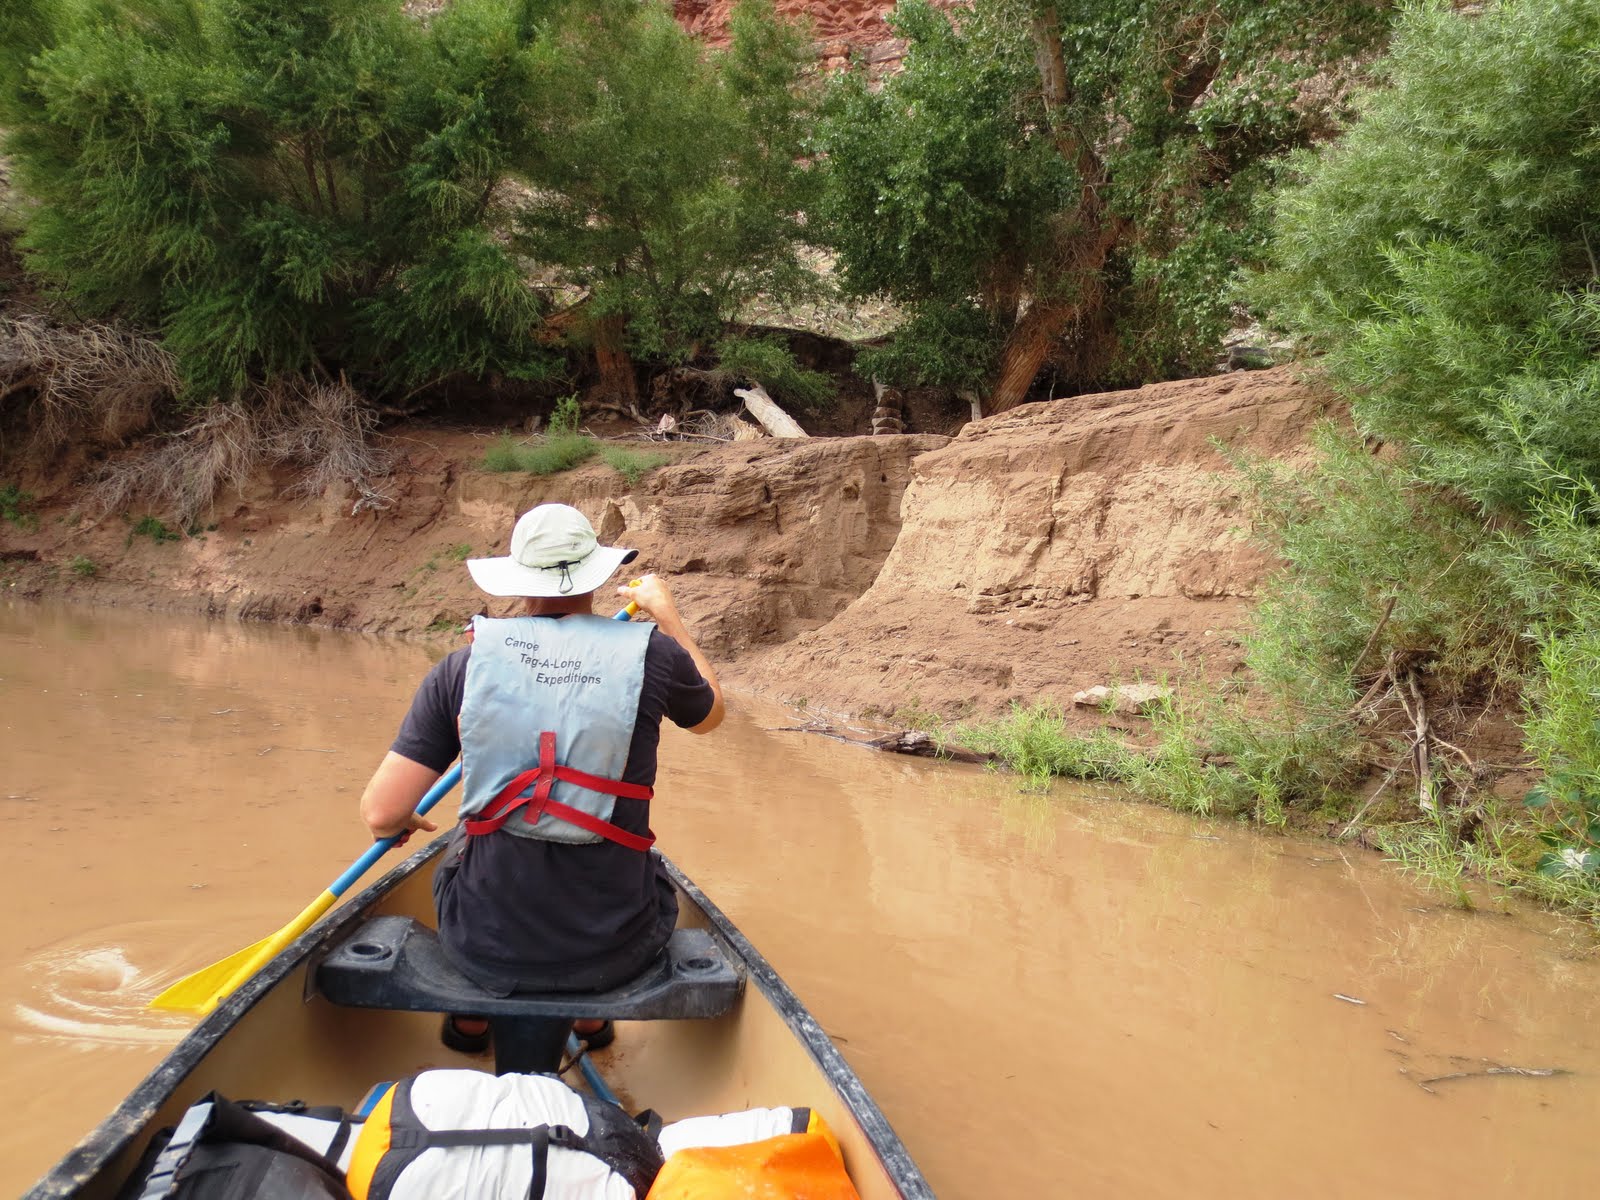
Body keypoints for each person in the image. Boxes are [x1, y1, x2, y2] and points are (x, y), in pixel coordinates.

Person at [358, 503, 724, 1050]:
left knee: (465, 839)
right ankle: (590, 1019)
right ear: (595, 576)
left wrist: (406, 816)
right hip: (616, 946)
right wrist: (667, 615)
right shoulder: (654, 654)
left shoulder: (465, 665)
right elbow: (711, 716)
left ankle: (473, 1021)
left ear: (517, 578)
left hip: (481, 945)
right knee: (643, 863)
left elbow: (381, 814)